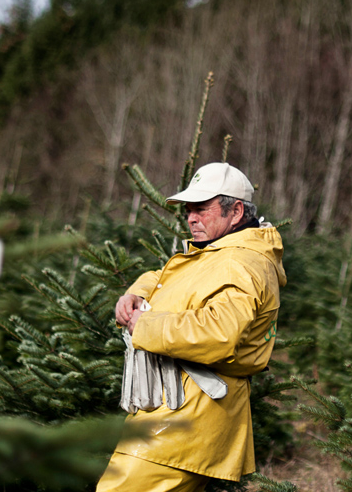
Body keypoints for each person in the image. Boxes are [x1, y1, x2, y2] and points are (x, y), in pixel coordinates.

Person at [97, 162, 286, 492]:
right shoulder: (217, 252)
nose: (191, 219)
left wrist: (147, 325)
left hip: (189, 411)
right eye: (188, 210)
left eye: (201, 209)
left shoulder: (241, 263)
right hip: (176, 404)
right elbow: (179, 279)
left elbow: (220, 334)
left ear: (236, 210)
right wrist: (137, 292)